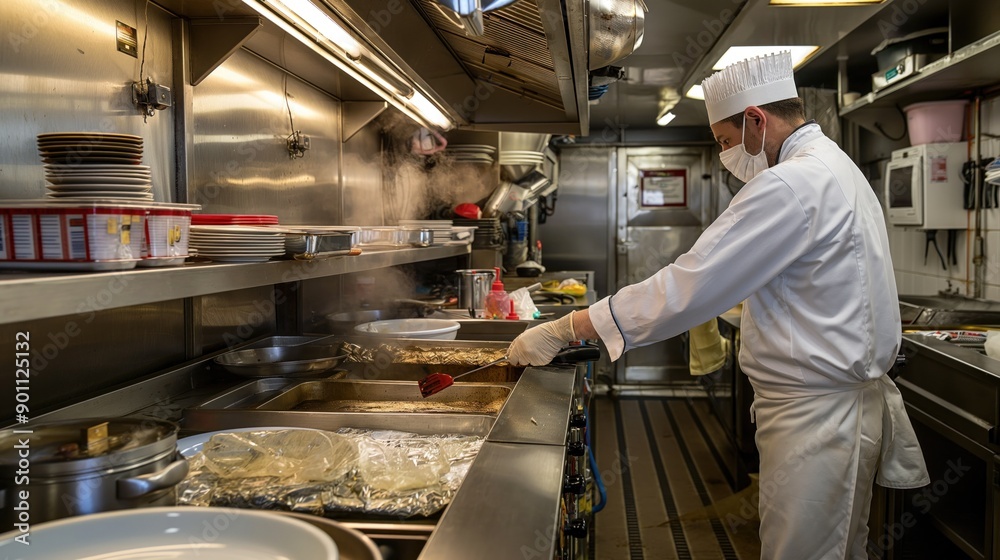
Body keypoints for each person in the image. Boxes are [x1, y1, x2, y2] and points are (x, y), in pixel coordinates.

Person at [508, 52, 930, 559]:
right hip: (832, 410)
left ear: (756, 119)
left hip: (817, 419)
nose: (726, 155)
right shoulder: (836, 166)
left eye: (726, 141)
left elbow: (690, 285)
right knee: (840, 549)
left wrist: (568, 327)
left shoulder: (791, 183)